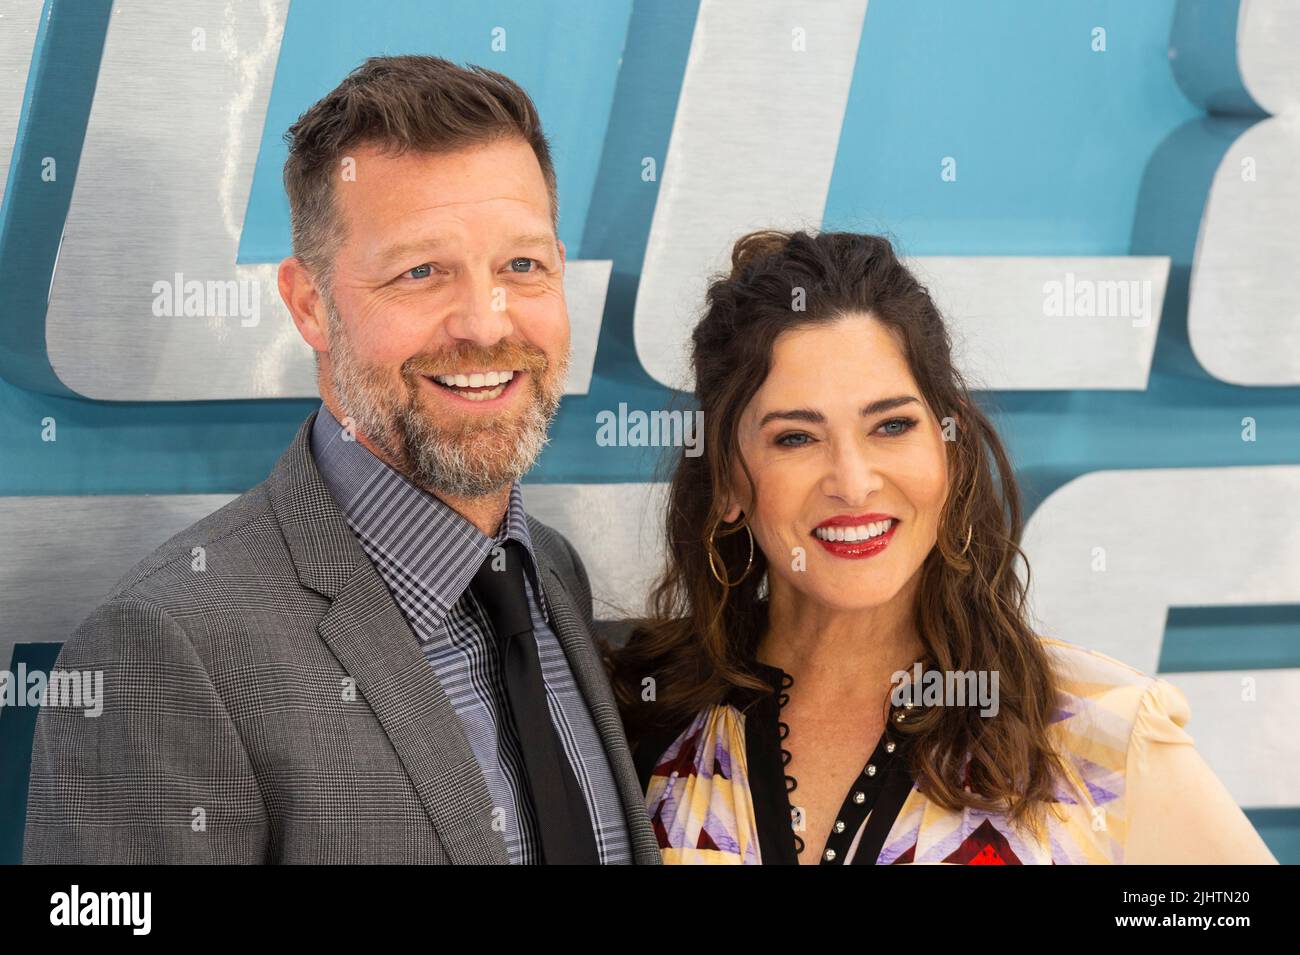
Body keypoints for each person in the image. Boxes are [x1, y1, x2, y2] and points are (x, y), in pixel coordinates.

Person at [24, 55, 659, 865]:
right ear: (310, 305)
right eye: (421, 271)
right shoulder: (170, 650)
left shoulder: (551, 576)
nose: (485, 323)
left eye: (521, 266)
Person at [609, 228, 1278, 865]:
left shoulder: (1096, 734)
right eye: (795, 437)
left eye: (892, 425)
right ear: (729, 480)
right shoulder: (647, 728)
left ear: (950, 452)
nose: (853, 481)